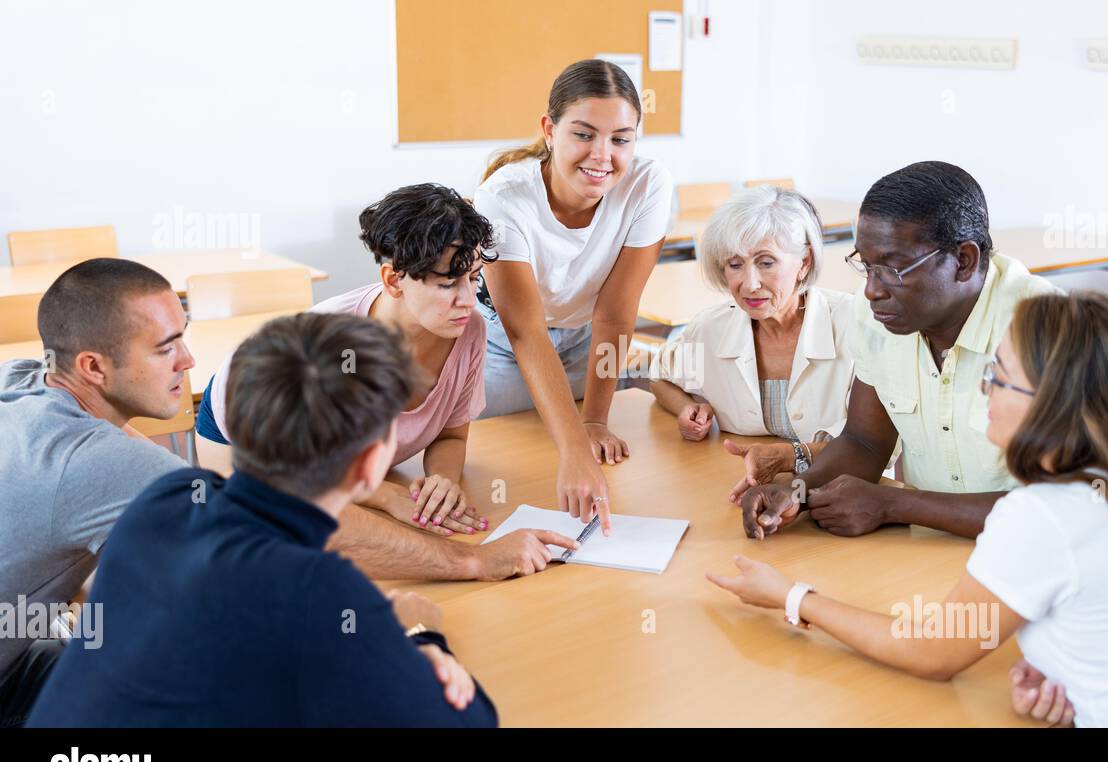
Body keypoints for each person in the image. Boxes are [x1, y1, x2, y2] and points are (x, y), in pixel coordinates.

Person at [709, 292, 1108, 727]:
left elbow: (930, 653)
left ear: (1055, 403)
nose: (985, 389)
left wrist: (790, 596)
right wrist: (1087, 687)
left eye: (1000, 378)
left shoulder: (1047, 515)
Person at [28, 313, 543, 726]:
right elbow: (469, 720)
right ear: (371, 466)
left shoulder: (164, 501)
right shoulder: (320, 589)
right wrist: (419, 636)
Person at [196, 183, 569, 581]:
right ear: (393, 280)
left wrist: (441, 481)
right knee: (279, 558)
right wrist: (395, 499)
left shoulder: (467, 329)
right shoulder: (336, 350)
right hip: (244, 440)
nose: (468, 300)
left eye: (474, 279)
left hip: (345, 469)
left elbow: (451, 435)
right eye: (447, 284)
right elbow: (312, 497)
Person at [737, 161, 1057, 541]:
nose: (873, 289)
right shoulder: (875, 314)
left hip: (1029, 557)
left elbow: (1058, 505)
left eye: (893, 268)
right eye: (867, 266)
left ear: (964, 261)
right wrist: (797, 492)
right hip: (925, 552)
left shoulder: (1045, 331)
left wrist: (895, 505)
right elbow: (865, 441)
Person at [474, 58, 673, 534]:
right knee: (499, 460)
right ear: (549, 129)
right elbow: (525, 330)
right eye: (584, 134)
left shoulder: (649, 184)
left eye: (621, 139)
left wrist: (593, 424)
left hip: (586, 337)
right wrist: (576, 449)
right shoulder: (503, 197)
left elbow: (617, 315)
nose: (602, 155)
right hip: (504, 342)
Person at [0, 259, 191, 726]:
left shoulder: (21, 378)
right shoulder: (87, 460)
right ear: (92, 367)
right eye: (166, 348)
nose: (187, 360)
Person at [649, 186, 866, 503]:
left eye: (766, 263)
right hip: (750, 493)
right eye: (735, 265)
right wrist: (687, 408)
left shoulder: (854, 326)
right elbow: (660, 377)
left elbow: (873, 444)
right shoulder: (710, 328)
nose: (749, 284)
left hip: (846, 495)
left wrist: (787, 455)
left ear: (804, 262)